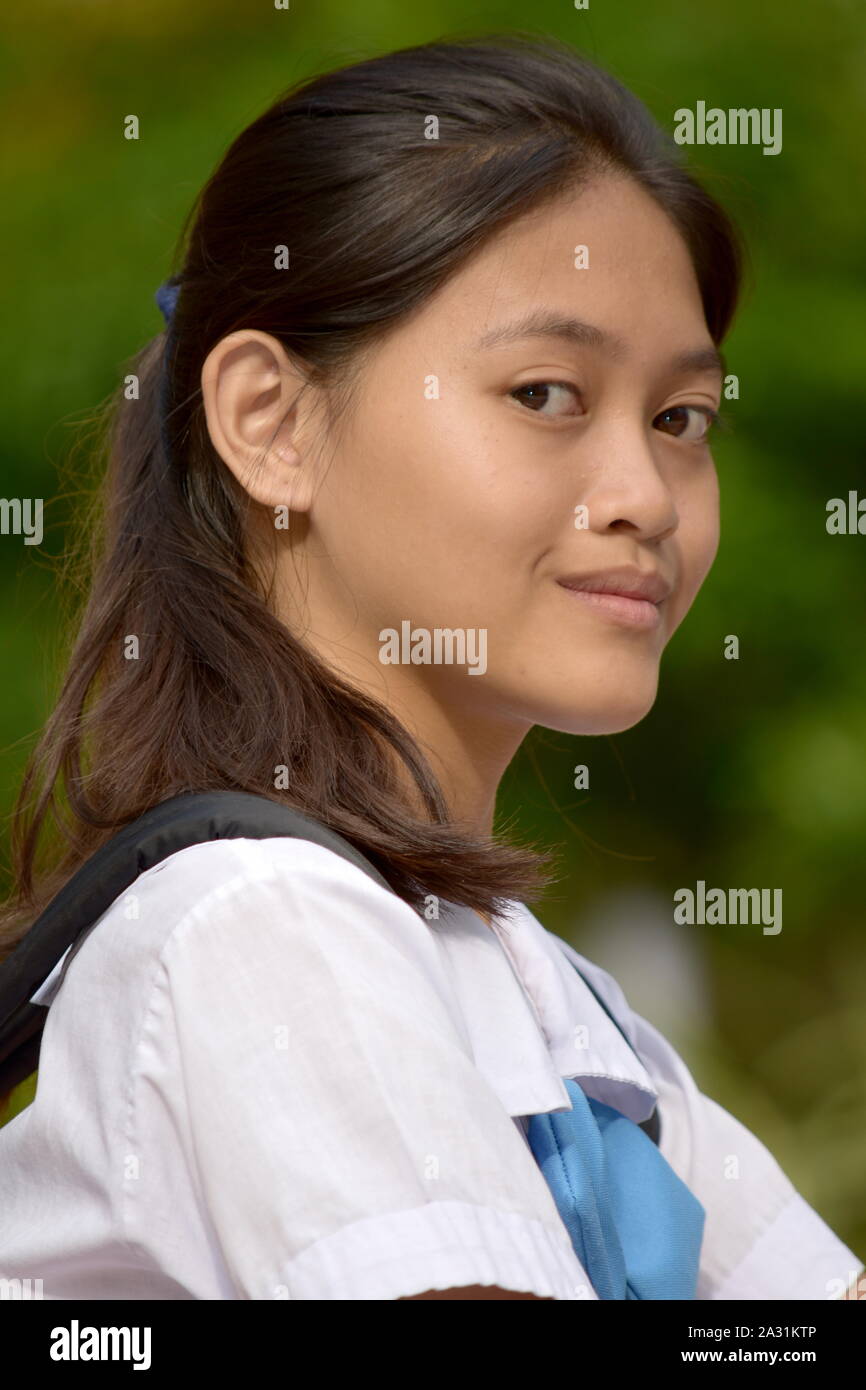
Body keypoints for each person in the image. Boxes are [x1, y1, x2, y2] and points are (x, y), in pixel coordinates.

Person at [0, 33, 861, 1301]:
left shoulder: (551, 1000)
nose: (644, 497)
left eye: (680, 419)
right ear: (270, 423)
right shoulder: (265, 923)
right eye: (544, 393)